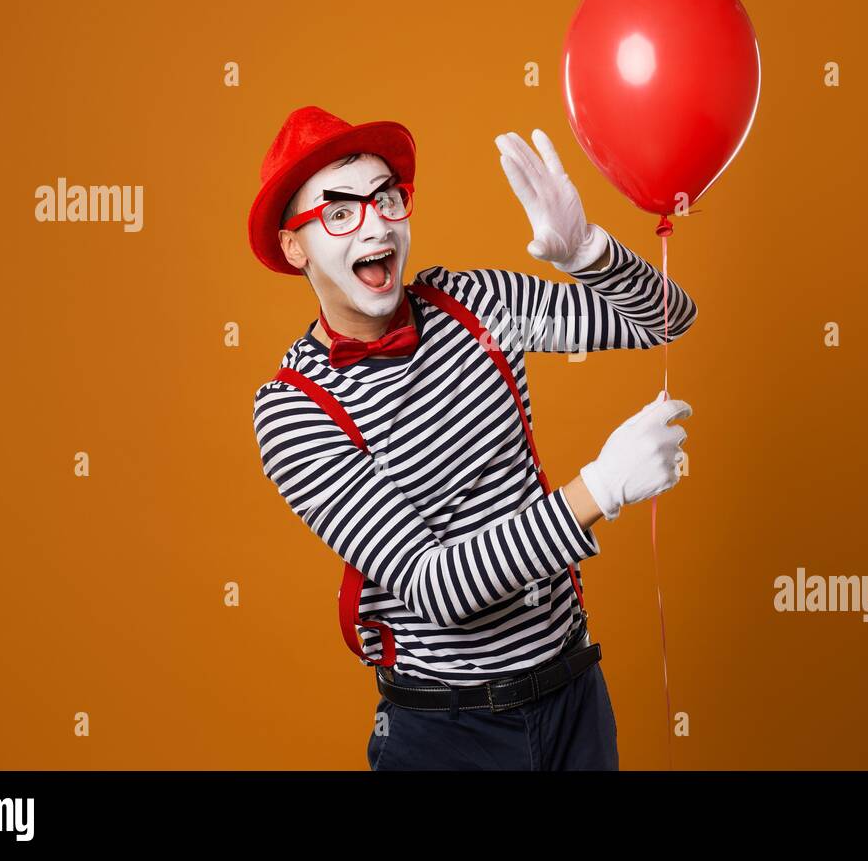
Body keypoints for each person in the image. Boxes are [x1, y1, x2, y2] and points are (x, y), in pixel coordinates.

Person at [249, 105, 696, 770]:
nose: (372, 223)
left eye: (386, 199)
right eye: (339, 213)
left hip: (573, 699)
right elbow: (437, 586)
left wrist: (588, 251)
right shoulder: (292, 410)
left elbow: (664, 320)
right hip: (446, 735)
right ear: (295, 246)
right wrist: (598, 487)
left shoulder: (475, 305)